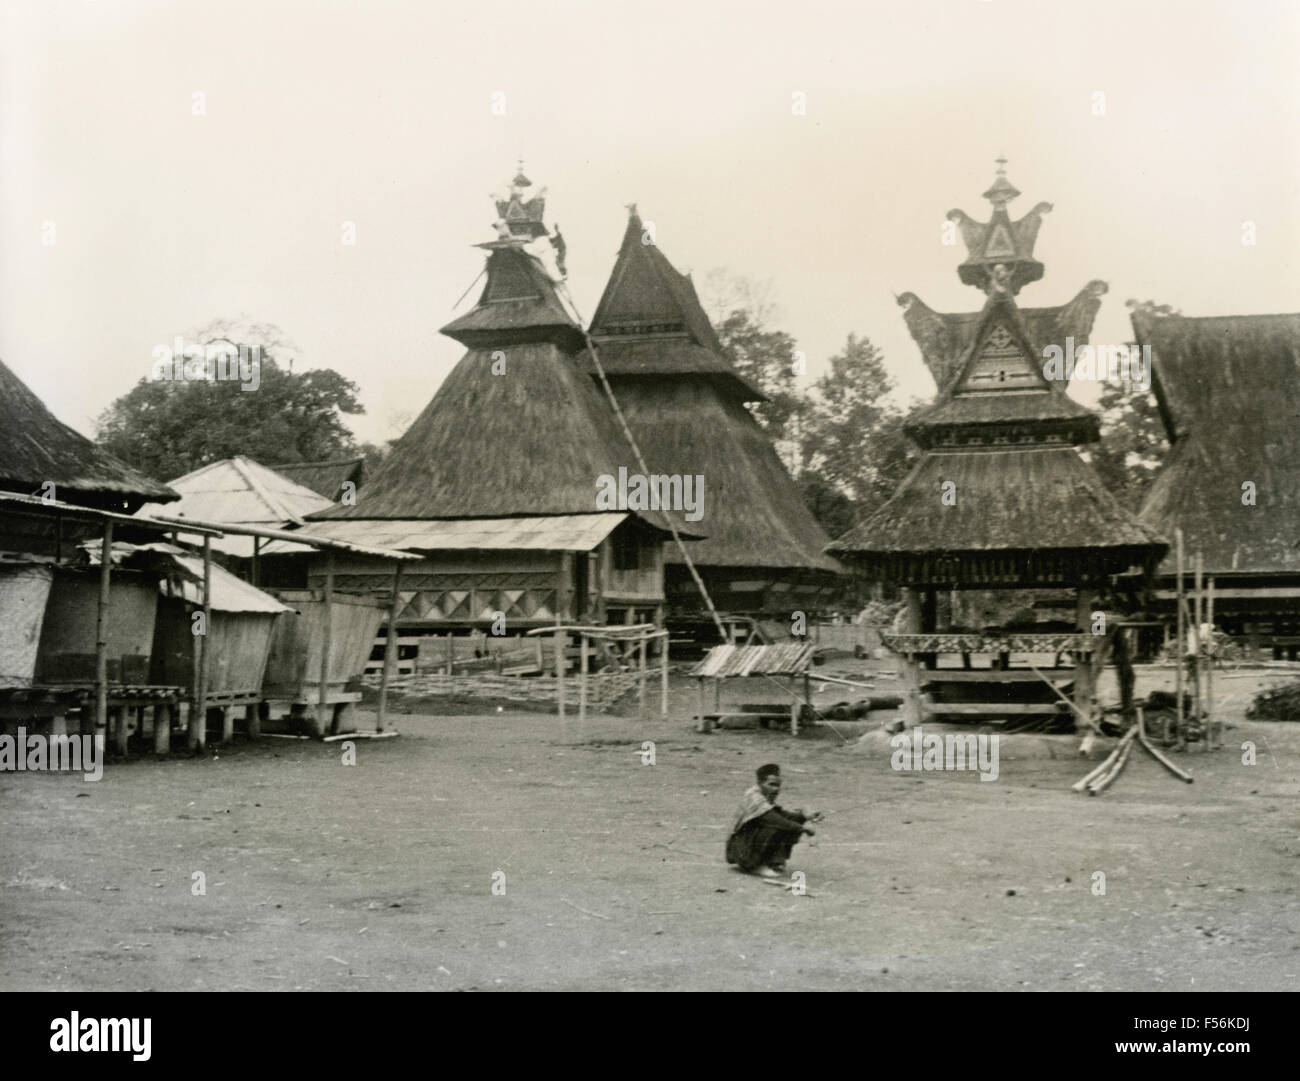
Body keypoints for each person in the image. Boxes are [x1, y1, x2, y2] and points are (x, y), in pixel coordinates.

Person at [725, 763, 820, 877]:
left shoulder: (763, 794)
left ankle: (773, 861)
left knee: (790, 822)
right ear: (760, 783)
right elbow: (773, 819)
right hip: (740, 848)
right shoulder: (754, 797)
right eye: (772, 785)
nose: (776, 789)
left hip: (746, 842)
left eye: (778, 785)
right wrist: (803, 828)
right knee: (779, 826)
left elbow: (780, 814)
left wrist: (804, 816)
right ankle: (753, 865)